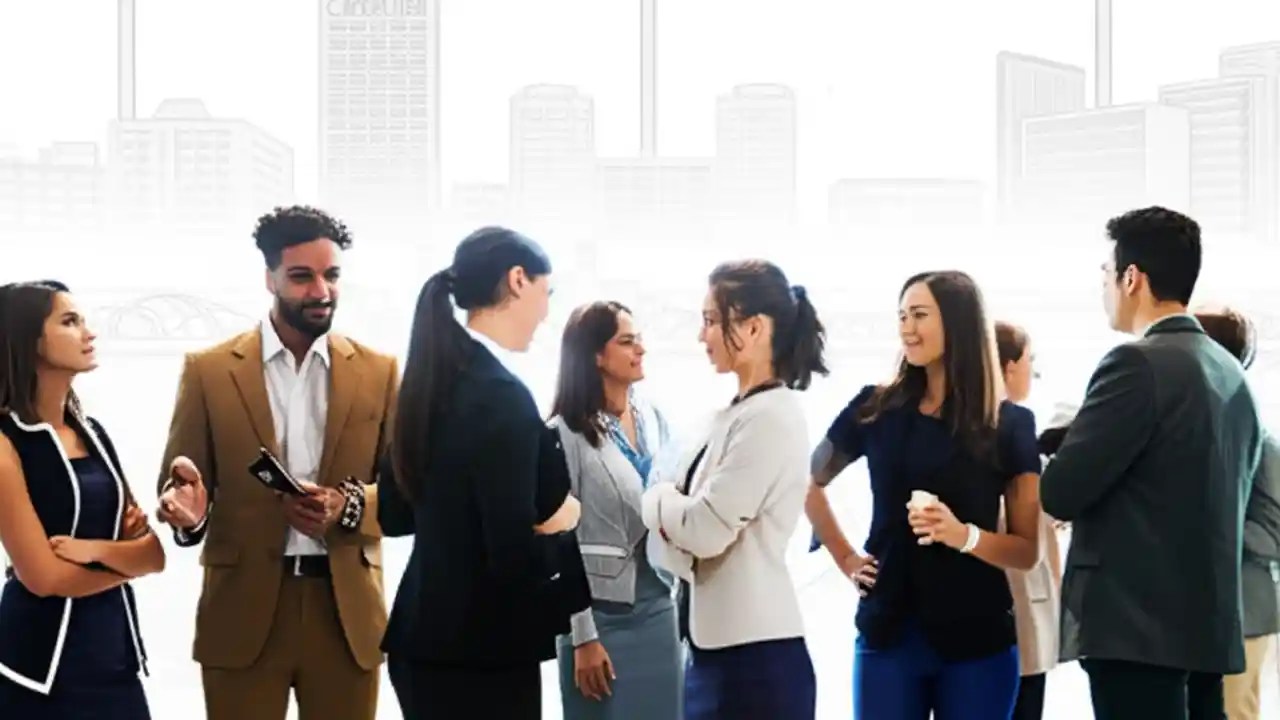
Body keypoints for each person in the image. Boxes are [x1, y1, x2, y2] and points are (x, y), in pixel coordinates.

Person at [153, 206, 399, 720]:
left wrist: (346, 505)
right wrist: (190, 514)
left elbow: (408, 492)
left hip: (346, 615)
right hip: (240, 614)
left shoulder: (379, 370)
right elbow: (180, 483)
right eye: (302, 276)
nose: (321, 291)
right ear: (270, 278)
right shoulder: (209, 372)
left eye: (331, 275)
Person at [1040, 207, 1264, 720]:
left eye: (1105, 274)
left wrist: (1066, 445)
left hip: (1136, 629)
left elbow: (1062, 491)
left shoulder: (1136, 363)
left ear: (1132, 278)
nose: (1104, 287)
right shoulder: (1230, 372)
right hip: (1206, 625)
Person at [806, 270, 1042, 720]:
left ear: (958, 323)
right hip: (888, 630)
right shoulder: (874, 408)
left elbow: (1027, 550)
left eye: (919, 315)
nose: (906, 329)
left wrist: (963, 535)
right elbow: (810, 482)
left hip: (978, 639)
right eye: (901, 316)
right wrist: (846, 558)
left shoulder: (1009, 425)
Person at [377, 226, 588, 720]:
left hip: (420, 641)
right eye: (546, 292)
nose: (546, 311)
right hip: (481, 654)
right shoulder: (501, 395)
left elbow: (393, 515)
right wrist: (561, 526)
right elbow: (510, 557)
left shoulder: (428, 382)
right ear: (518, 280)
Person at [641, 259, 825, 720]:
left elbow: (703, 531)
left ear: (755, 327)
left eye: (709, 321)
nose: (701, 336)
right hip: (718, 648)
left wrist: (657, 500)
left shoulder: (770, 418)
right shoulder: (732, 415)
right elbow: (683, 537)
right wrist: (675, 513)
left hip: (755, 660)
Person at [0, 280, 164, 717]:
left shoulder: (95, 434)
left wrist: (94, 551)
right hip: (38, 670)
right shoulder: (5, 444)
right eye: (70, 322)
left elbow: (154, 553)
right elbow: (44, 579)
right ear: (28, 340)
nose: (89, 333)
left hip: (116, 656)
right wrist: (127, 563)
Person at [550, 300, 683, 719]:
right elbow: (559, 540)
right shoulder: (563, 433)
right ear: (595, 355)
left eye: (639, 340)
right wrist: (583, 637)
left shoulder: (656, 418)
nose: (640, 350)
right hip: (598, 621)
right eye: (627, 342)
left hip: (660, 607)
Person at [1192, 305, 1278, 720]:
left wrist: (1205, 528)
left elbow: (1274, 534)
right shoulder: (1191, 430)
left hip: (1244, 613)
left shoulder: (1259, 437)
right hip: (1190, 613)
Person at [994, 320, 1062, 720]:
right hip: (1015, 601)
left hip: (1022, 600)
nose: (1031, 373)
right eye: (1028, 361)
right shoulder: (1015, 427)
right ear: (1007, 367)